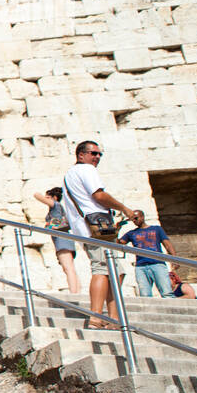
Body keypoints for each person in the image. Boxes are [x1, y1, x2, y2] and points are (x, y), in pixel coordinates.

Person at [62, 140, 136, 329]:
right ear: (81, 155)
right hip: (95, 229)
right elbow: (99, 196)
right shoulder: (86, 170)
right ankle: (96, 317)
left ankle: (113, 318)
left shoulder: (70, 174)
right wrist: (124, 208)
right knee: (102, 268)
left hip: (88, 229)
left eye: (99, 154)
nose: (97, 157)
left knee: (116, 271)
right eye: (93, 153)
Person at [119, 210, 179, 298]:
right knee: (145, 295)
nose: (134, 221)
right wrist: (117, 229)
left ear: (142, 217)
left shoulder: (156, 229)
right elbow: (119, 243)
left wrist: (174, 258)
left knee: (166, 292)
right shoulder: (132, 233)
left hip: (158, 263)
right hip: (141, 266)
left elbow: (167, 244)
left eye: (136, 218)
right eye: (133, 219)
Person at [34, 187, 81, 294]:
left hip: (62, 239)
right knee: (69, 268)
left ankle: (74, 293)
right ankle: (76, 290)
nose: (47, 199)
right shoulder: (57, 209)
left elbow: (36, 195)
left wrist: (45, 197)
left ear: (54, 198)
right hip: (63, 238)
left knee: (68, 267)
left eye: (49, 197)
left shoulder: (56, 205)